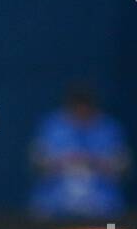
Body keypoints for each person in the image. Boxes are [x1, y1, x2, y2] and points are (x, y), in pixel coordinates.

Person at [28, 84, 130, 219]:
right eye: (77, 108)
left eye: (86, 108)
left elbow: (123, 167)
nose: (82, 112)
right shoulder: (52, 125)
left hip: (102, 205)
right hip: (55, 204)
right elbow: (36, 163)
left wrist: (94, 162)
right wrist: (63, 161)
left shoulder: (109, 127)